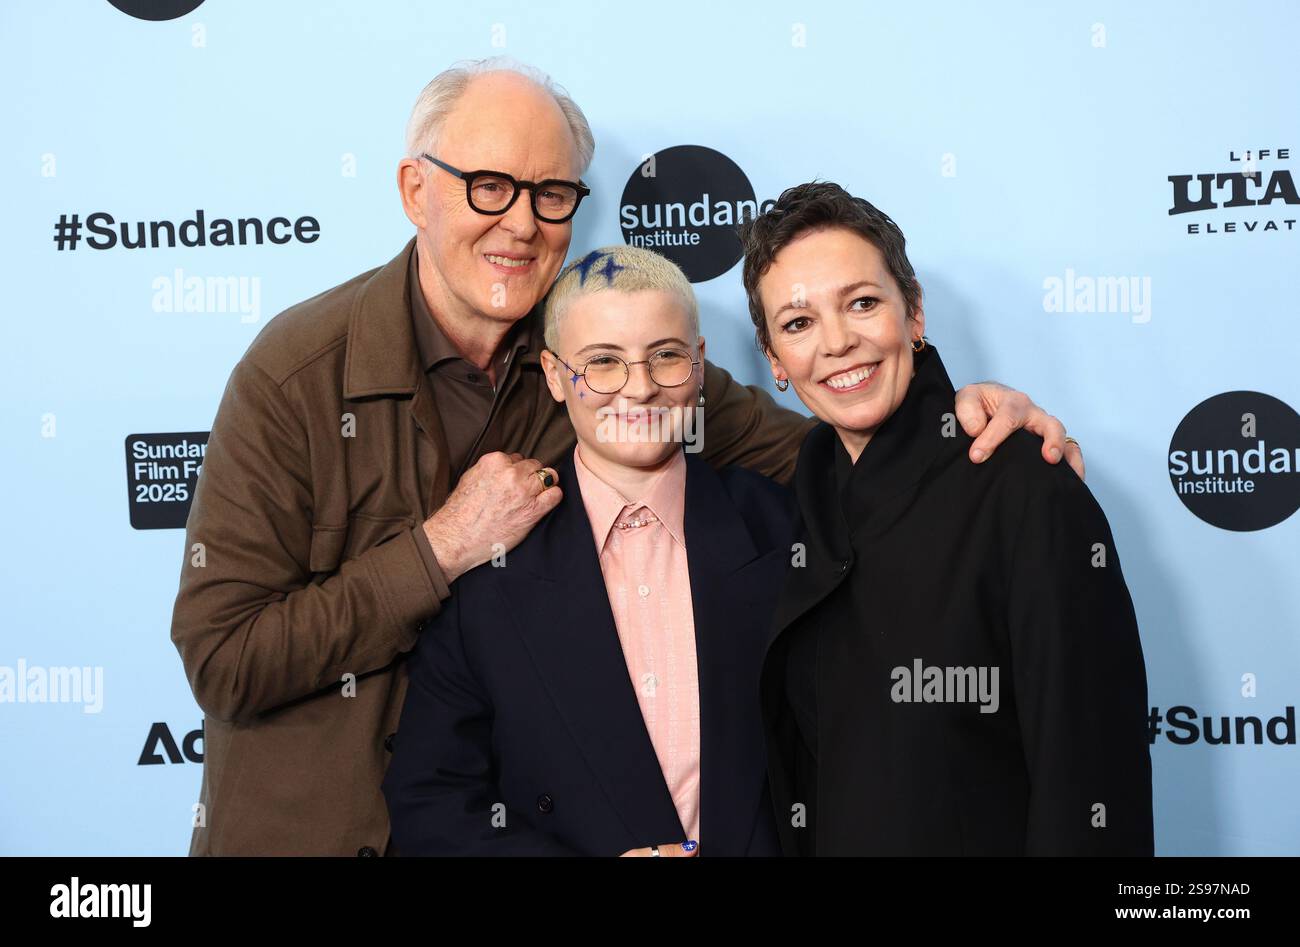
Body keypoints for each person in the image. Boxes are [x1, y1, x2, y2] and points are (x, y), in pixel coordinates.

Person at [169, 57, 1082, 856]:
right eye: (488, 184)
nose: (521, 223)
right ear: (415, 190)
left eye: (550, 193)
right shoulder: (295, 376)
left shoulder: (611, 358)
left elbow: (831, 454)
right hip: (317, 837)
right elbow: (224, 659)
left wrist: (949, 413)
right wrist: (442, 547)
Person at [743, 182, 1153, 856]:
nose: (838, 342)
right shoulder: (801, 496)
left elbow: (1090, 779)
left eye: (863, 303)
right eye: (798, 323)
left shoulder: (1024, 486)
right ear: (774, 363)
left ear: (915, 313)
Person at [383, 245, 794, 856]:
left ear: (700, 363)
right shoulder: (491, 570)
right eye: (602, 363)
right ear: (553, 375)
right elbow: (432, 801)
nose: (640, 389)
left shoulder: (782, 530)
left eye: (666, 356)